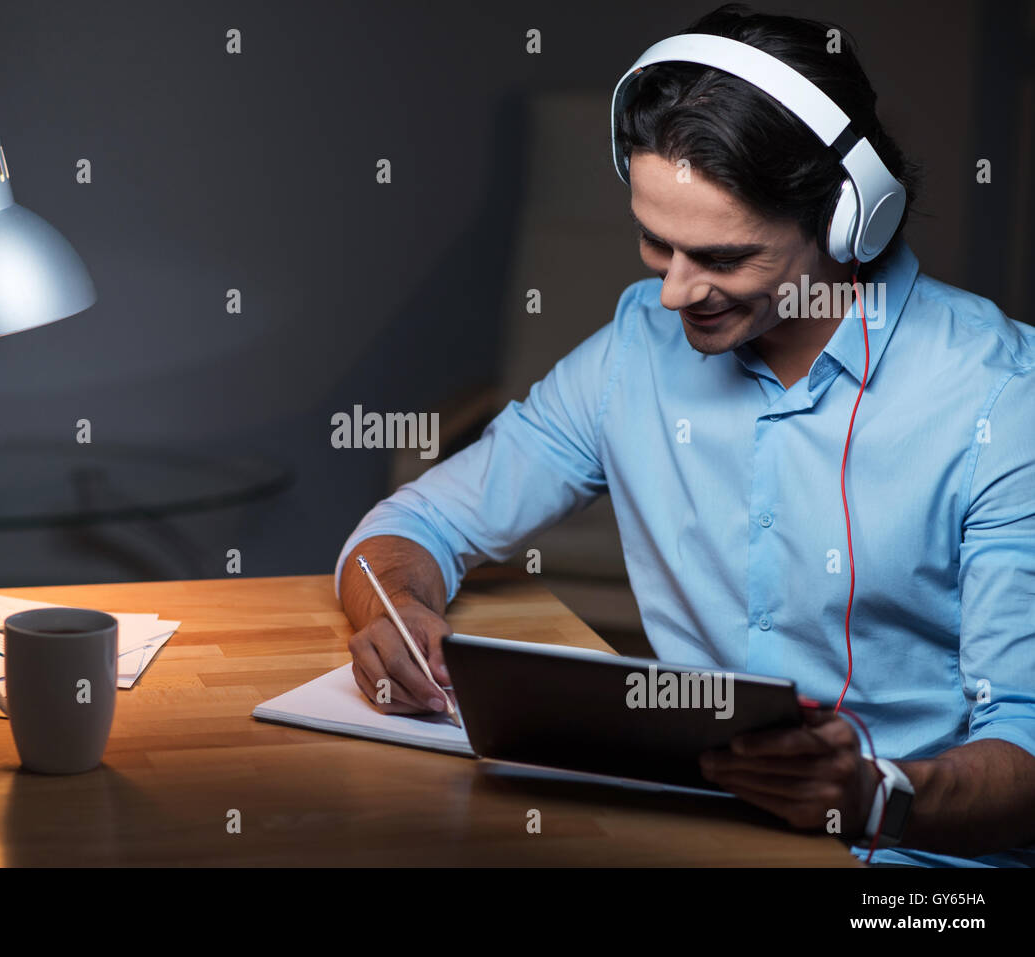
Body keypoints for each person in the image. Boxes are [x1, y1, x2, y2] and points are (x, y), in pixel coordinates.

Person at [334, 4, 1035, 867]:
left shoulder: (1004, 402)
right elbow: (414, 526)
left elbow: (1026, 747)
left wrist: (877, 792)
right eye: (654, 243)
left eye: (724, 258)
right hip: (696, 834)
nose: (674, 295)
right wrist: (396, 611)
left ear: (854, 220)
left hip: (924, 881)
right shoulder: (636, 348)